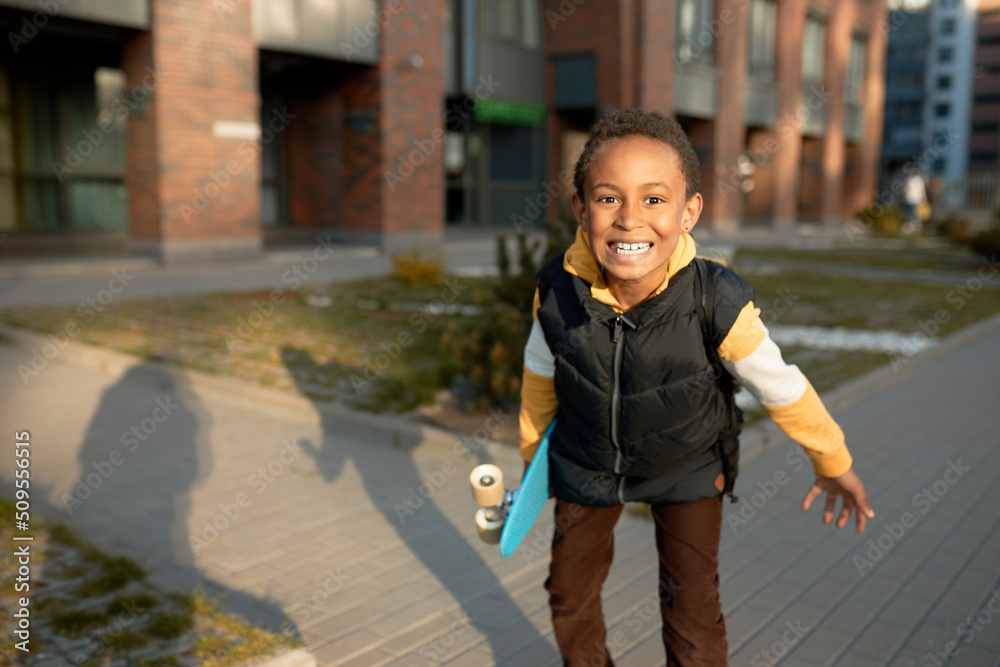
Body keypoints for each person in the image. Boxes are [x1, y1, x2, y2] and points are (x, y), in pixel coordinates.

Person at [517, 108, 874, 667]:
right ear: (582, 210)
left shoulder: (716, 299)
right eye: (610, 198)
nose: (630, 219)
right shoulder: (556, 290)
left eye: (654, 199)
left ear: (689, 212)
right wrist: (531, 460)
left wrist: (832, 460)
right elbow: (540, 374)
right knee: (568, 593)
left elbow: (781, 387)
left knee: (692, 609)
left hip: (687, 464)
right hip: (586, 462)